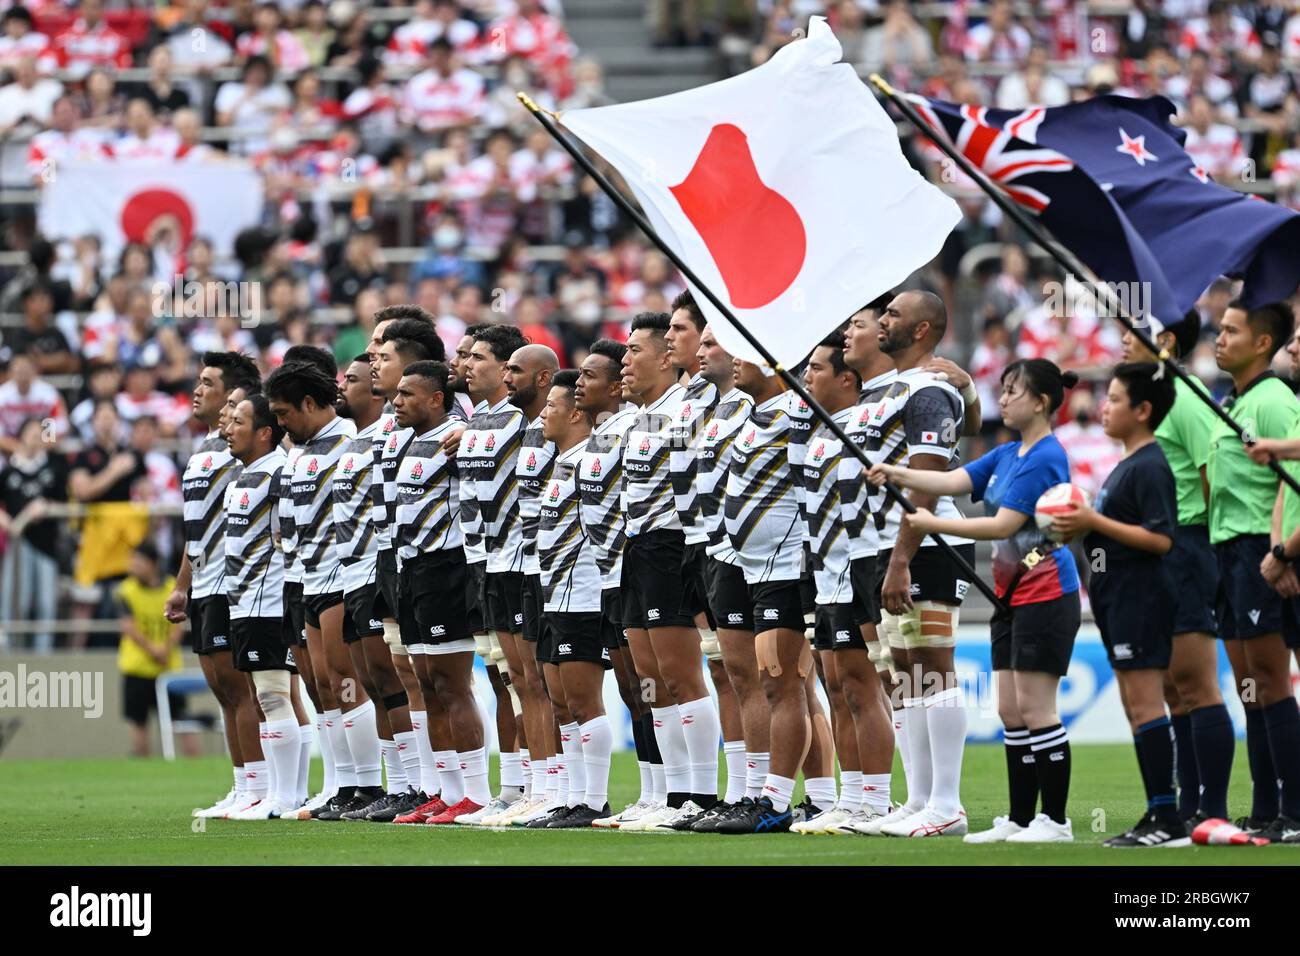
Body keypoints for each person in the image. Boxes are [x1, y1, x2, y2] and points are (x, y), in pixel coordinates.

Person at [872, 358, 1083, 843]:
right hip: (1009, 596)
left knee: (1037, 709)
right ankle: (1020, 818)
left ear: (1041, 402)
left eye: (1013, 391)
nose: (1003, 399)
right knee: (1011, 710)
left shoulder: (1047, 455)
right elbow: (950, 480)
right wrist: (895, 472)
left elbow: (1003, 526)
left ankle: (1055, 821)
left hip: (1047, 590)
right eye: (1003, 389)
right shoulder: (1008, 453)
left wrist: (932, 524)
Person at [1051, 363, 1186, 848]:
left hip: (1140, 599)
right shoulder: (1126, 463)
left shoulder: (1150, 465)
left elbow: (1161, 539)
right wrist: (1084, 526)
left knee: (1147, 703)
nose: (1103, 408)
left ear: (1143, 410)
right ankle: (1158, 814)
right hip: (1117, 598)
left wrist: (1093, 521)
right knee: (1136, 705)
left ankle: (1167, 819)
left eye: (1114, 399)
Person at [869, 291, 976, 840]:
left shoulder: (929, 389)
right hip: (900, 547)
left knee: (934, 667)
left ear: (921, 329)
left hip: (929, 547)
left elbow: (927, 486)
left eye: (892, 315)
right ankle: (919, 800)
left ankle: (949, 803)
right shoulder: (899, 387)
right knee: (904, 675)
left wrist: (901, 561)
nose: (882, 320)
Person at [1121, 314, 1236, 827]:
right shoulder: (1161, 399)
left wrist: (1201, 550)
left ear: (1164, 341)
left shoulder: (1185, 399)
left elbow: (1214, 478)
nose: (1123, 338)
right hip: (1161, 553)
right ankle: (1187, 808)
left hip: (1186, 545)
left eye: (1134, 331)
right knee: (1172, 688)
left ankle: (1211, 810)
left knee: (1195, 685)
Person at [615, 312, 720, 831]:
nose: (625, 360)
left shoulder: (690, 404)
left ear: (664, 357)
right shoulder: (642, 416)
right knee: (650, 679)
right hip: (636, 549)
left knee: (681, 676)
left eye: (635, 350)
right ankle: (669, 793)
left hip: (671, 545)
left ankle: (698, 792)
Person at [264, 360, 377, 822]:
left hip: (339, 575)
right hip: (304, 577)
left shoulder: (349, 444)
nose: (280, 423)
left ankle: (367, 783)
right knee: (323, 685)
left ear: (310, 404)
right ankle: (344, 784)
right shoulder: (298, 452)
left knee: (345, 680)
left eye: (285, 413)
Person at [1204, 301, 1300, 843]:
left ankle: (1295, 810)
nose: (1220, 339)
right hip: (1226, 552)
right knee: (1250, 689)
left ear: (1262, 343)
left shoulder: (1273, 400)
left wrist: (1281, 550)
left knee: (1270, 682)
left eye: (1231, 331)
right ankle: (1266, 810)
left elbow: (1291, 475)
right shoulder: (1230, 403)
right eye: (1218, 329)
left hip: (1255, 550)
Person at [390, 360, 490, 824]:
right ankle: (446, 792)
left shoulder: (457, 435)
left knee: (452, 684)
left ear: (435, 398)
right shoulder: (412, 440)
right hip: (411, 570)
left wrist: (467, 434)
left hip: (446, 568)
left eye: (407, 394)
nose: (396, 401)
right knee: (425, 684)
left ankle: (477, 792)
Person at [710, 356, 805, 834]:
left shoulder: (798, 411)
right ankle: (756, 794)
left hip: (788, 567)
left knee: (787, 685)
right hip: (748, 565)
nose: (734, 362)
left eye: (743, 354)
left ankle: (790, 800)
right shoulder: (751, 412)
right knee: (760, 683)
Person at [167, 353, 265, 819]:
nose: (197, 388)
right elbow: (196, 529)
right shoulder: (204, 447)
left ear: (231, 395)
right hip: (203, 582)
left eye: (207, 382)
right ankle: (242, 783)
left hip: (234, 581)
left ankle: (262, 786)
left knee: (243, 688)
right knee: (224, 690)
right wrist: (181, 586)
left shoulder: (236, 446)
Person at [370, 315, 458, 822]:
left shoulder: (449, 414)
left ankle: (506, 785)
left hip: (443, 562)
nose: (373, 357)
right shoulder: (391, 422)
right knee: (409, 675)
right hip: (396, 557)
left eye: (382, 350)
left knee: (454, 680)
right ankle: (425, 786)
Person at [573, 340, 661, 828]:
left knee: (651, 685)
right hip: (606, 574)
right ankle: (650, 792)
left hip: (628, 570)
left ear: (614, 387)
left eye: (590, 375)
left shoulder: (633, 425)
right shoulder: (597, 434)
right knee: (632, 689)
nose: (581, 382)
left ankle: (668, 790)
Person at [331, 353, 420, 821]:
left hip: (381, 568)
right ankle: (398, 786)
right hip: (352, 572)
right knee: (373, 681)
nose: (342, 386)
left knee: (394, 680)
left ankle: (414, 786)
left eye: (353, 379)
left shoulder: (397, 431)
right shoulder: (356, 442)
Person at [664, 290, 742, 826]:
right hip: (695, 546)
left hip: (735, 547)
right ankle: (728, 790)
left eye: (682, 329)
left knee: (770, 677)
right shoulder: (685, 398)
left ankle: (821, 792)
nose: (672, 338)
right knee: (723, 670)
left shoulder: (733, 397)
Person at [686, 325, 765, 833]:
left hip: (760, 556)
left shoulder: (756, 404)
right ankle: (742, 792)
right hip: (712, 550)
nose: (696, 351)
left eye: (707, 341)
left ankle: (818, 795)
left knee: (792, 683)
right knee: (733, 676)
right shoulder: (705, 404)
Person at [534, 370, 614, 827]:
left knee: (584, 703)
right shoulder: (561, 461)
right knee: (561, 704)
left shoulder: (589, 461)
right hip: (553, 595)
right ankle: (571, 796)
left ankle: (595, 800)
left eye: (552, 407)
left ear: (577, 414)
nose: (544, 414)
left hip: (582, 595)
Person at [221, 392, 305, 820]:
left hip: (268, 600)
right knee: (263, 698)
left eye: (238, 422)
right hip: (243, 602)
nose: (228, 428)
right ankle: (279, 794)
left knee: (273, 698)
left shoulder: (278, 474)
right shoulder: (242, 477)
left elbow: (288, 536)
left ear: (265, 432)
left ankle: (284, 797)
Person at [116, 542, 196, 758]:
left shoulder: (173, 586)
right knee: (139, 723)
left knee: (181, 720)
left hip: (168, 668)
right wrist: (156, 650)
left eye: (138, 561)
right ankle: (141, 768)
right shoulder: (126, 591)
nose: (133, 566)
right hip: (137, 667)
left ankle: (195, 764)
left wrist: (165, 649)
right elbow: (128, 626)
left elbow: (180, 622)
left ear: (152, 565)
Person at [0, 416, 66, 652]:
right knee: (14, 601)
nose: (34, 437)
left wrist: (47, 506)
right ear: (20, 436)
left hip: (47, 545)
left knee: (47, 604)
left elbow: (66, 504)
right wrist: (4, 519)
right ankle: (9, 652)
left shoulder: (53, 467)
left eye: (39, 433)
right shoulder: (9, 471)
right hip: (18, 543)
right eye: (29, 432)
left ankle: (43, 653)